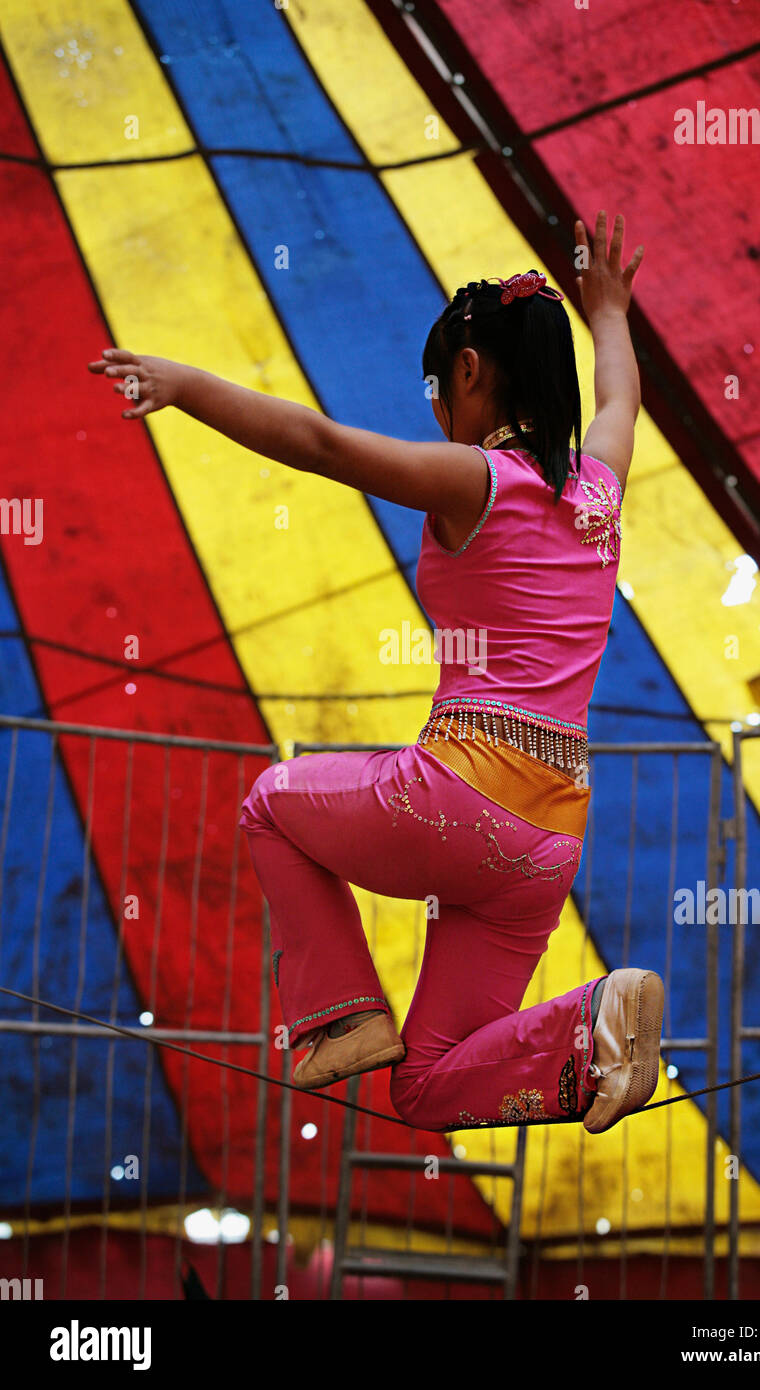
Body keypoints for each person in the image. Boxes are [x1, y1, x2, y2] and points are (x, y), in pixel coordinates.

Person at [87, 211, 663, 1135]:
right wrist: (609, 313)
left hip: (465, 794)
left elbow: (320, 445)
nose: (437, 409)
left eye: (440, 387)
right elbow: (620, 402)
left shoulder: (479, 479)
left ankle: (346, 1013)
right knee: (426, 1088)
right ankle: (593, 1028)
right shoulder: (599, 486)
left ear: (469, 372)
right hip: (546, 845)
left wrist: (184, 383)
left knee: (272, 801)